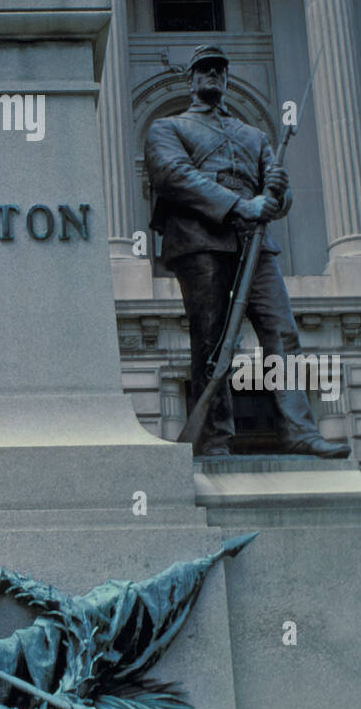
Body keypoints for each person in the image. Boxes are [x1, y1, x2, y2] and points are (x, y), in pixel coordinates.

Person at [144, 44, 350, 458]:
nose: (212, 75)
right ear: (191, 79)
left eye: (219, 69)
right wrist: (240, 204)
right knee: (213, 341)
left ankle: (298, 430)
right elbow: (173, 175)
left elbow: (282, 198)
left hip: (255, 245)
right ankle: (215, 437)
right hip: (203, 242)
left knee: (282, 333)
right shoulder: (167, 128)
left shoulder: (254, 136)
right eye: (204, 69)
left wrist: (277, 195)